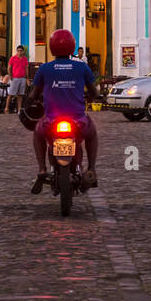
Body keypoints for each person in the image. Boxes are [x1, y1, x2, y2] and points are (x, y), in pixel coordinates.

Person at [29, 29, 99, 193]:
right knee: (92, 133)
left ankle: (41, 169)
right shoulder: (82, 67)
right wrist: (90, 97)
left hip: (51, 121)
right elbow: (94, 92)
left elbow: (34, 93)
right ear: (72, 47)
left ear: (52, 48)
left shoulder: (45, 68)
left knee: (37, 134)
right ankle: (92, 169)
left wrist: (33, 99)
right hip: (78, 121)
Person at [7, 45, 29, 114]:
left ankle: (19, 109)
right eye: (18, 50)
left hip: (22, 78)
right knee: (11, 94)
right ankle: (6, 108)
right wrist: (10, 76)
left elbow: (26, 68)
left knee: (20, 94)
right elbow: (9, 67)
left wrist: (27, 78)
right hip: (15, 78)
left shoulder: (25, 59)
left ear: (23, 52)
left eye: (21, 51)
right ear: (17, 51)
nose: (19, 52)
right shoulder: (13, 58)